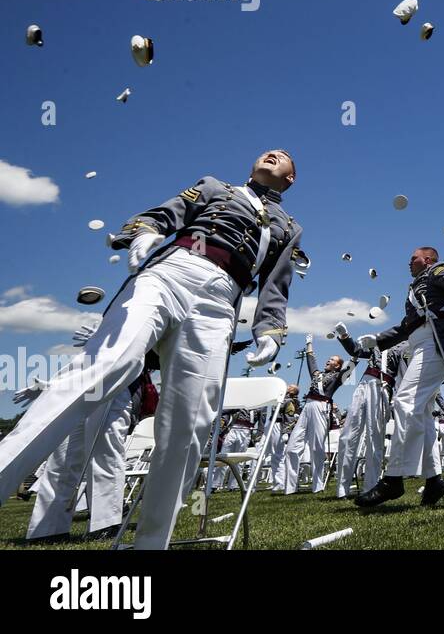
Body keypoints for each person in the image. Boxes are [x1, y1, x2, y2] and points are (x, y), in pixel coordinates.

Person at [0, 149, 301, 549]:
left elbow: (275, 285)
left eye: (283, 157)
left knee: (190, 424)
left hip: (222, 301)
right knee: (103, 369)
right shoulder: (215, 186)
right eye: (268, 152)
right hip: (173, 270)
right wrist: (143, 233)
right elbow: (166, 213)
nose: (273, 154)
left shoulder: (290, 227)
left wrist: (270, 330)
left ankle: (151, 544)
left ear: (290, 179)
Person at [354, 247, 444, 507]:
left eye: (413, 258)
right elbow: (409, 325)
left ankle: (394, 478)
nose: (409, 262)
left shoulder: (436, 271)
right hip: (420, 346)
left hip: (435, 346)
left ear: (427, 260)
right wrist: (379, 339)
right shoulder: (416, 287)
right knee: (423, 416)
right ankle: (434, 480)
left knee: (404, 402)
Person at [332, 322, 399, 498]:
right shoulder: (377, 345)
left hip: (383, 385)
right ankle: (342, 487)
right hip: (364, 383)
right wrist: (345, 335)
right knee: (348, 434)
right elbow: (355, 350)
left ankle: (371, 485)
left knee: (374, 437)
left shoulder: (407, 346)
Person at [282, 336, 353, 494]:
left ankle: (318, 485)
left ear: (338, 365)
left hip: (321, 407)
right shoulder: (317, 374)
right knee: (292, 448)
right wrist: (309, 344)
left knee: (317, 448)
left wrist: (355, 353)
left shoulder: (337, 377)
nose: (328, 360)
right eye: (329, 358)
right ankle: (290, 487)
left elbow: (350, 369)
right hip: (307, 407)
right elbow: (311, 361)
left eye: (333, 360)